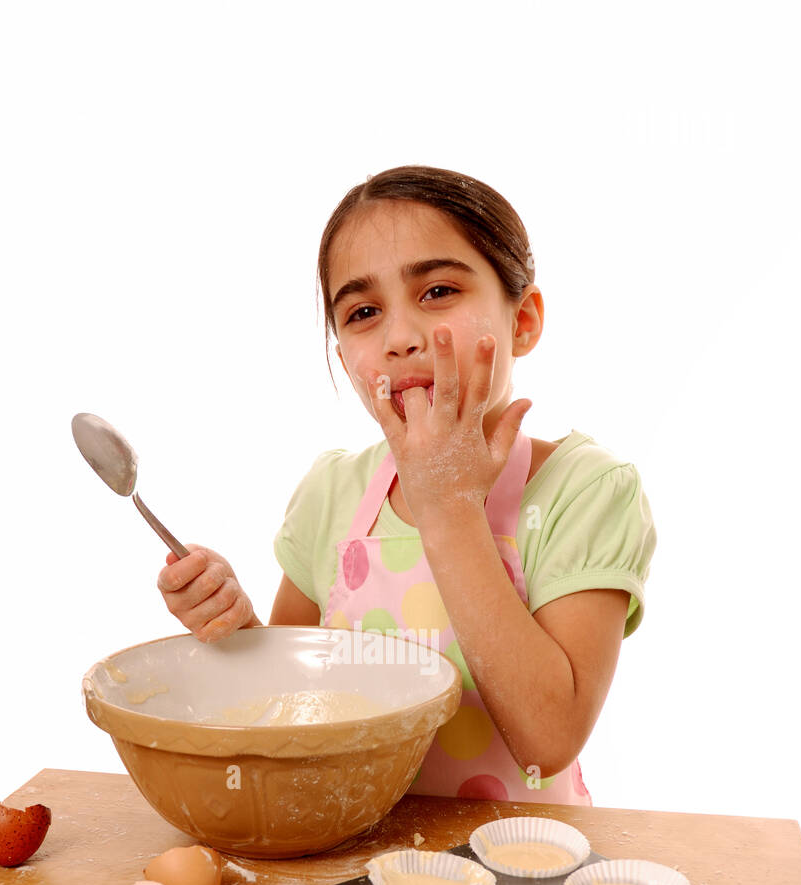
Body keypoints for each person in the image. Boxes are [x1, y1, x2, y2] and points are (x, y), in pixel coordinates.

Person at [157, 165, 657, 805]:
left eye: (439, 291)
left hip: (521, 881)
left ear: (523, 320)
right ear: (345, 356)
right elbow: (293, 702)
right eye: (364, 312)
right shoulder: (332, 491)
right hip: (355, 866)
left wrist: (449, 508)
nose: (400, 338)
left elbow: (549, 739)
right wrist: (236, 627)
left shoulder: (584, 490)